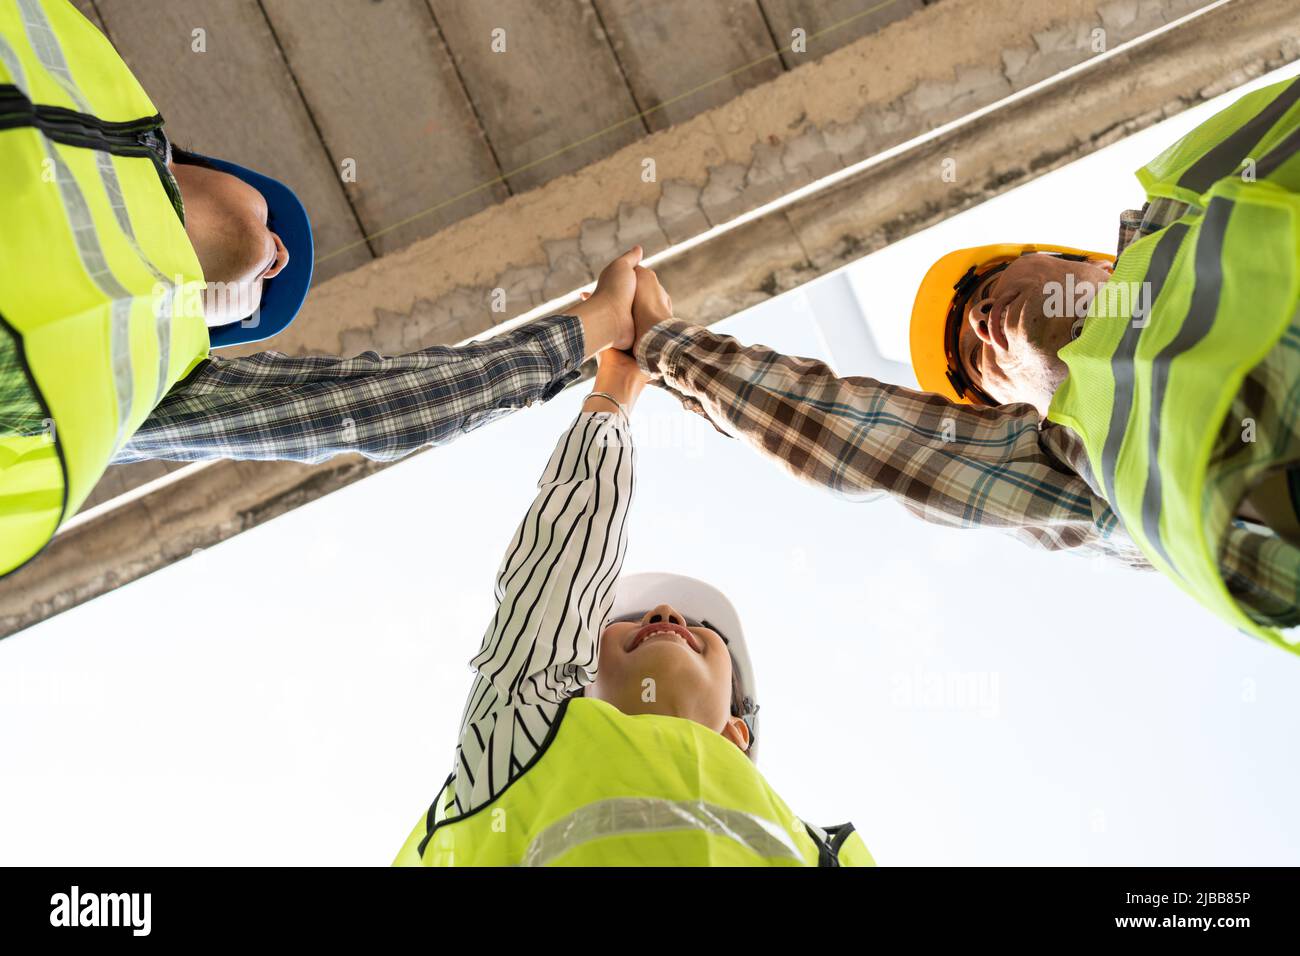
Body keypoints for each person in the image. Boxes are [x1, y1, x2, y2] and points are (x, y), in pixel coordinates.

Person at [627, 75, 1300, 654]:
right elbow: (865, 440)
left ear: (1089, 260)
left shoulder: (1184, 192)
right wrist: (668, 348)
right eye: (978, 365)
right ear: (1017, 413)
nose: (980, 322)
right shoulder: (1083, 471)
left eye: (985, 291)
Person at [0, 0, 638, 577]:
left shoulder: (138, 387)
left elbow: (378, 408)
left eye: (248, 304)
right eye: (275, 222)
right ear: (190, 164)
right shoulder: (70, 68)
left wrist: (601, 326)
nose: (277, 262)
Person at [394, 317, 872, 866]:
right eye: (630, 618)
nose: (670, 614)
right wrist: (616, 386)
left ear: (737, 732)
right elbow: (553, 584)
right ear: (576, 685)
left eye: (701, 630)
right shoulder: (519, 746)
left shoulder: (823, 853)